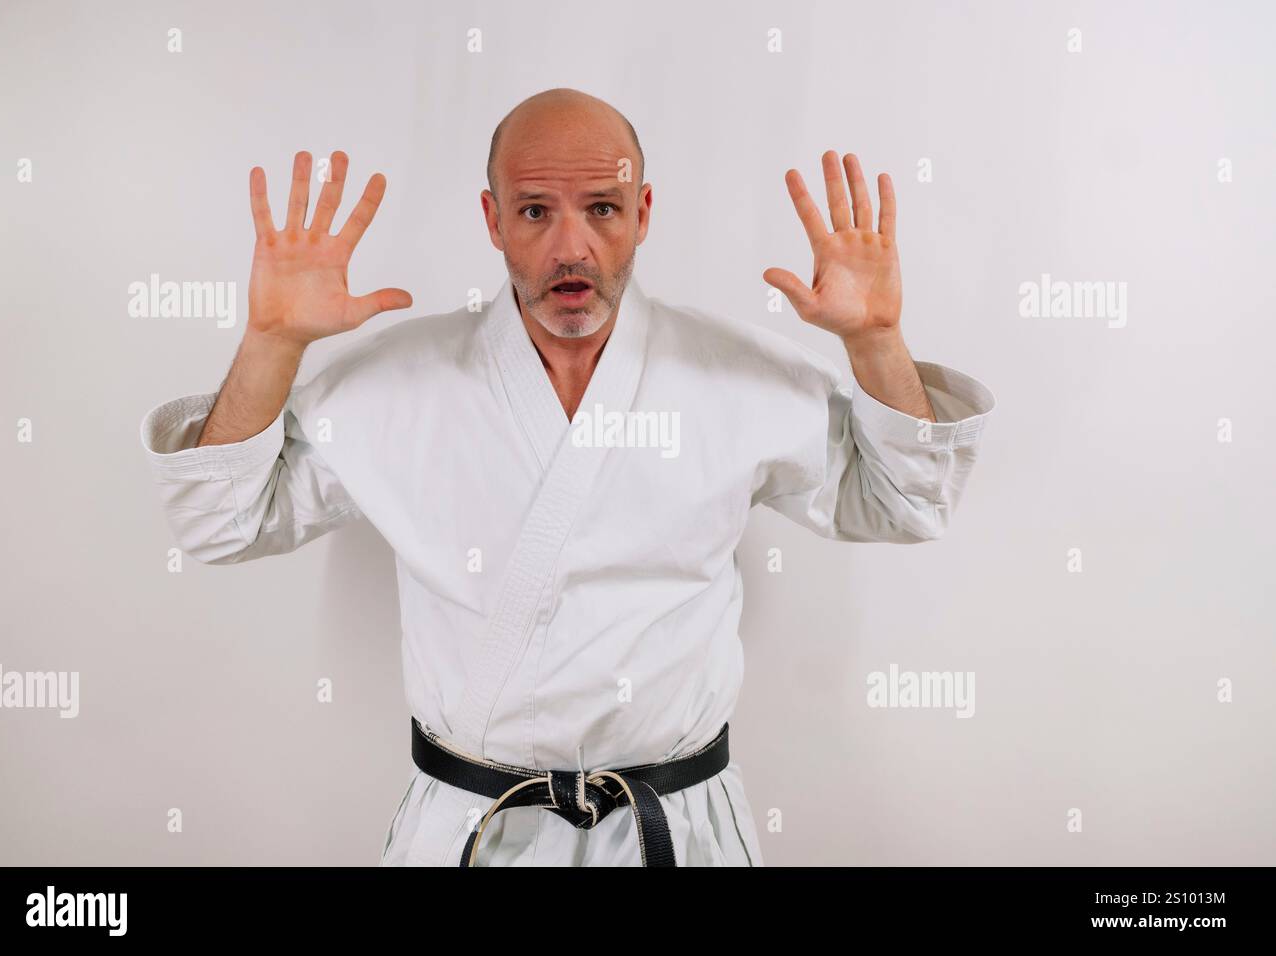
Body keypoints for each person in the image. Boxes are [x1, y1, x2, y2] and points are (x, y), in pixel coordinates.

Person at [138, 87, 997, 867]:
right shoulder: (397, 383)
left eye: (602, 208)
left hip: (678, 833)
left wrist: (876, 341)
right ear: (493, 219)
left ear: (644, 212)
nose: (570, 247)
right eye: (536, 211)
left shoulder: (734, 374)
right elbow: (221, 522)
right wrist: (272, 345)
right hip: (469, 832)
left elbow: (906, 502)